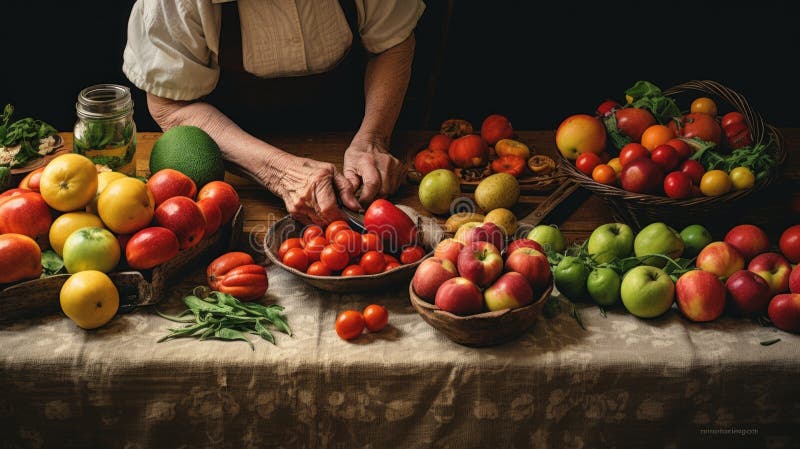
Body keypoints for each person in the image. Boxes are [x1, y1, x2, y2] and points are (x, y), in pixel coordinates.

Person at [123, 0, 425, 225]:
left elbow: (392, 44)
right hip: (238, 188)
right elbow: (170, 105)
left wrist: (373, 137)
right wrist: (280, 172)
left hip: (352, 159)